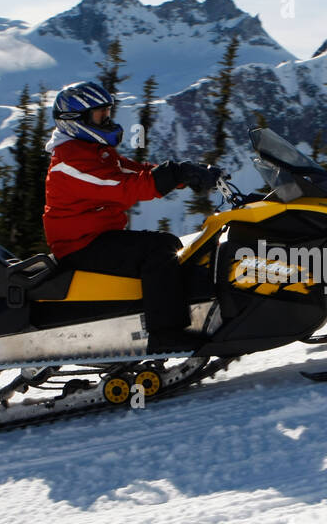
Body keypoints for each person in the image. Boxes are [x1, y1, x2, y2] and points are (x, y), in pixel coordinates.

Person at [43, 80, 223, 353]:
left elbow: (136, 171)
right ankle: (165, 334)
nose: (106, 119)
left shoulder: (89, 151)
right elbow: (122, 187)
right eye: (99, 114)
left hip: (97, 237)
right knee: (157, 250)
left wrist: (186, 174)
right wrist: (173, 174)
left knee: (167, 243)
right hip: (79, 245)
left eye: (107, 113)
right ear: (74, 120)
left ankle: (173, 310)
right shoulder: (68, 164)